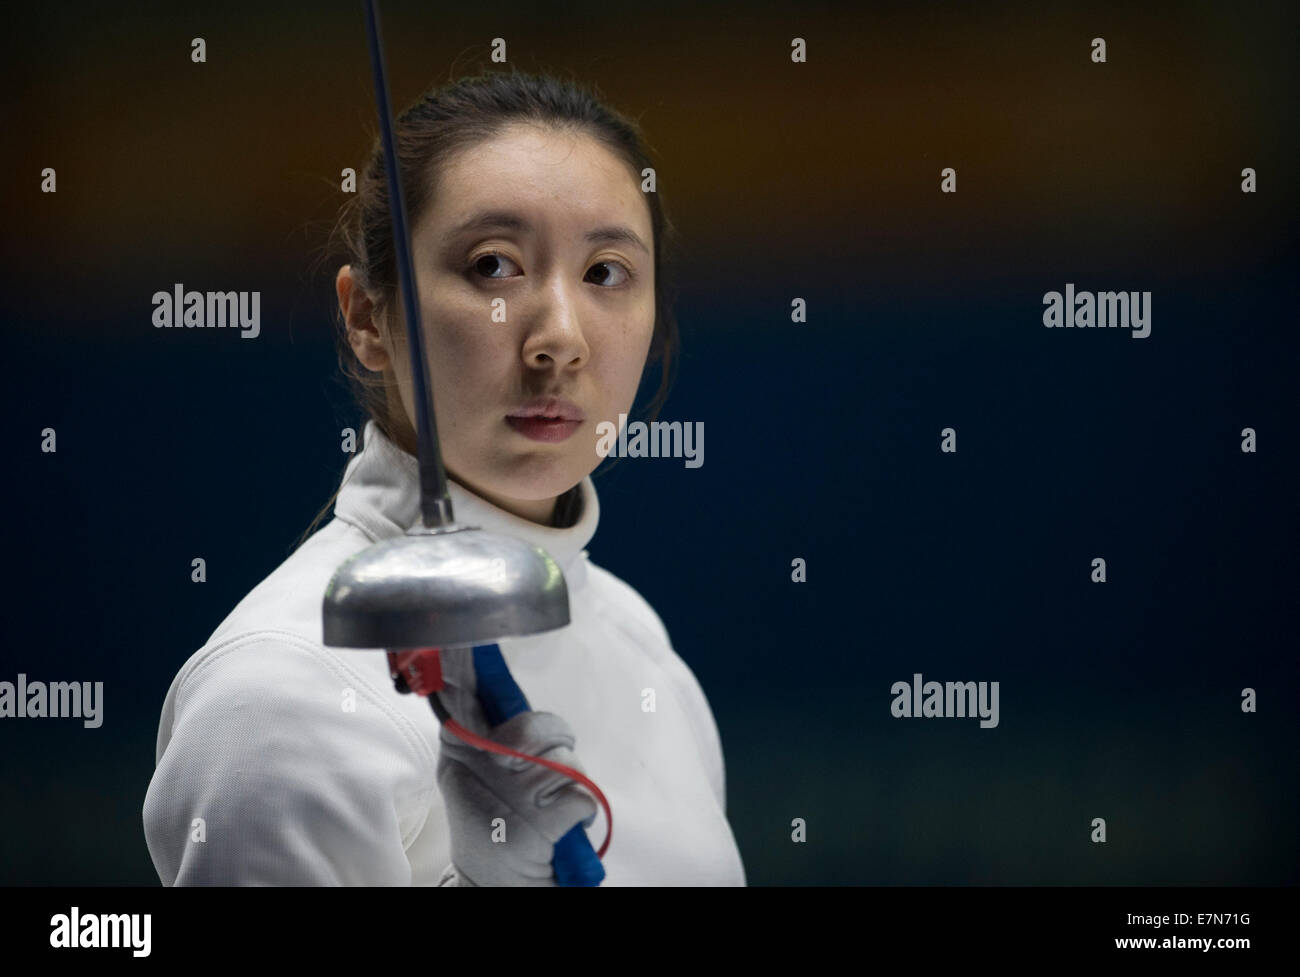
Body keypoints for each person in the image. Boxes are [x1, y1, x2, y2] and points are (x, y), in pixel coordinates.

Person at [142, 70, 746, 886]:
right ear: (367, 319)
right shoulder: (279, 694)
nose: (559, 338)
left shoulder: (643, 651)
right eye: (493, 265)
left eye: (605, 273)